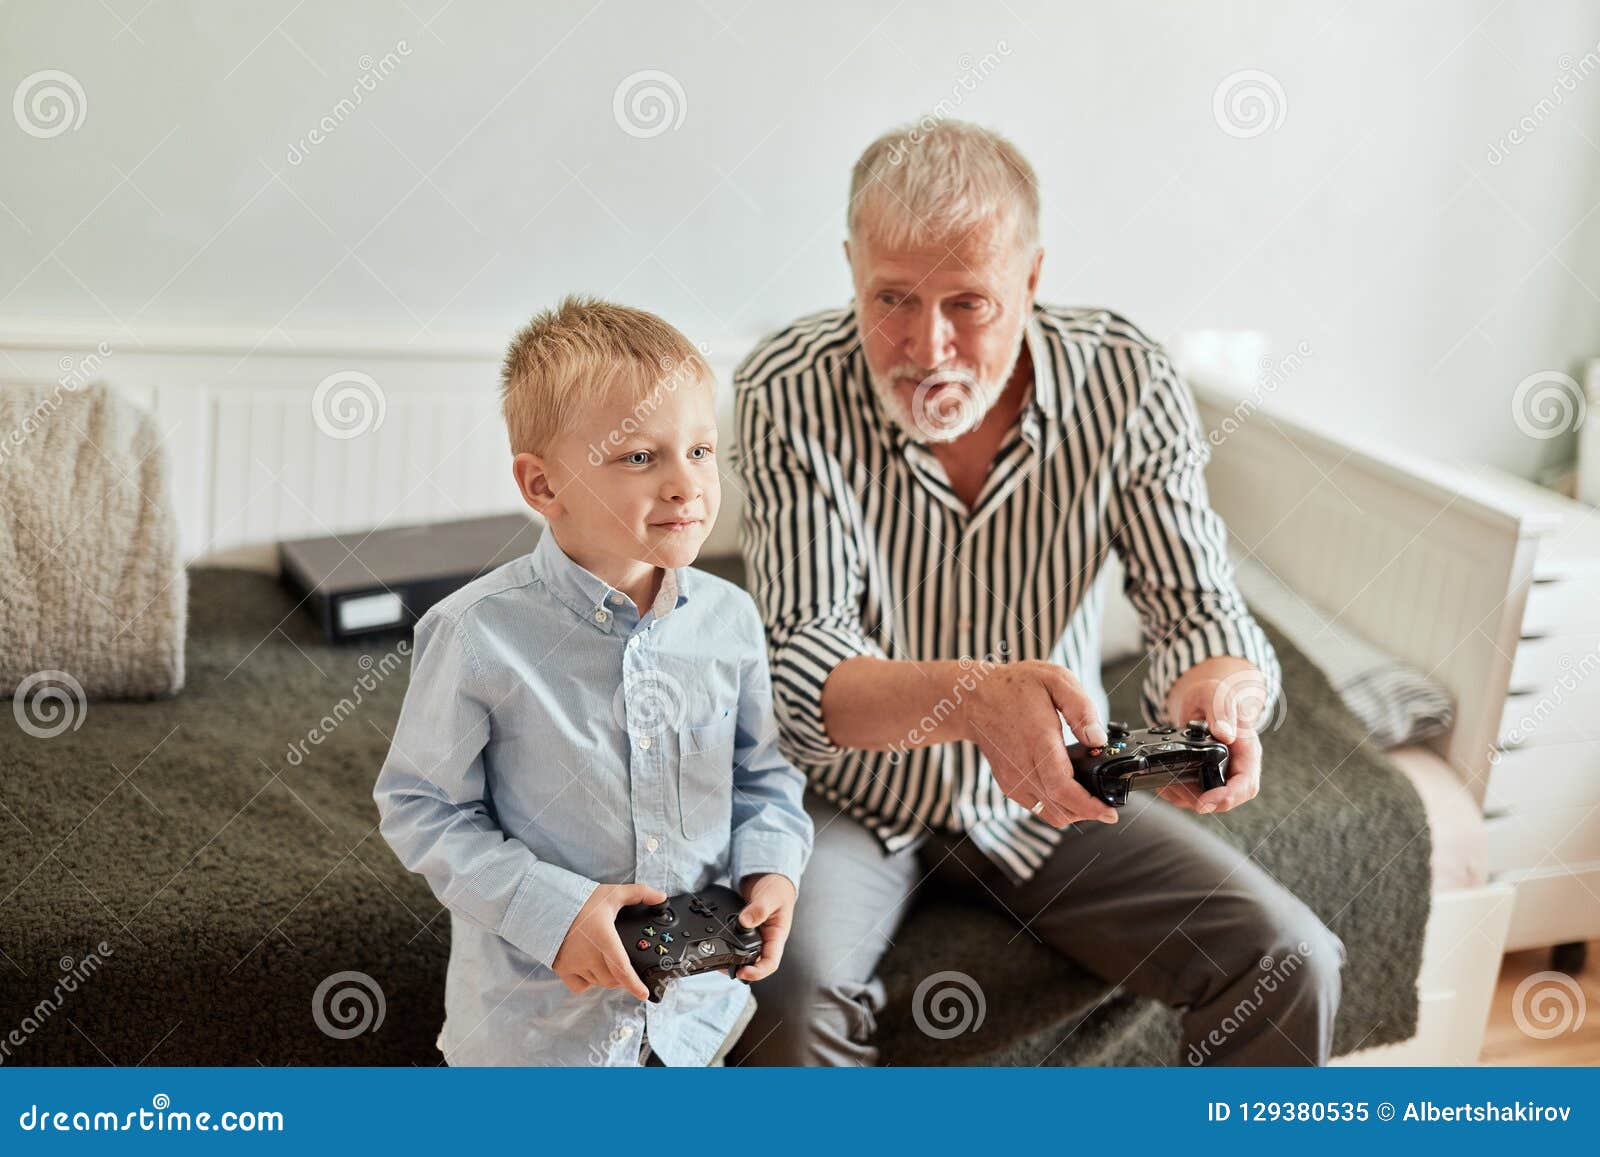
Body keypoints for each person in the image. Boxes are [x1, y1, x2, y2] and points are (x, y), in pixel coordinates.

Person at [728, 121, 1344, 1067]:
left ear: (1032, 276)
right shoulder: (786, 387)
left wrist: (1218, 693)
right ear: (849, 265)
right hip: (845, 793)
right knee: (778, 993)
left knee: (1290, 957)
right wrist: (975, 699)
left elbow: (1196, 606)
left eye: (968, 301)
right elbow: (805, 662)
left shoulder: (1127, 379)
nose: (927, 346)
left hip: (1049, 794)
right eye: (890, 296)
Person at [374, 296, 812, 1065]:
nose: (687, 485)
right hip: (537, 1034)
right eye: (641, 456)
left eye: (702, 450)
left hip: (696, 1021)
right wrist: (555, 911)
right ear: (543, 487)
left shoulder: (731, 619)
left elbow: (762, 775)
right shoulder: (475, 632)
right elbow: (421, 808)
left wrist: (772, 866)